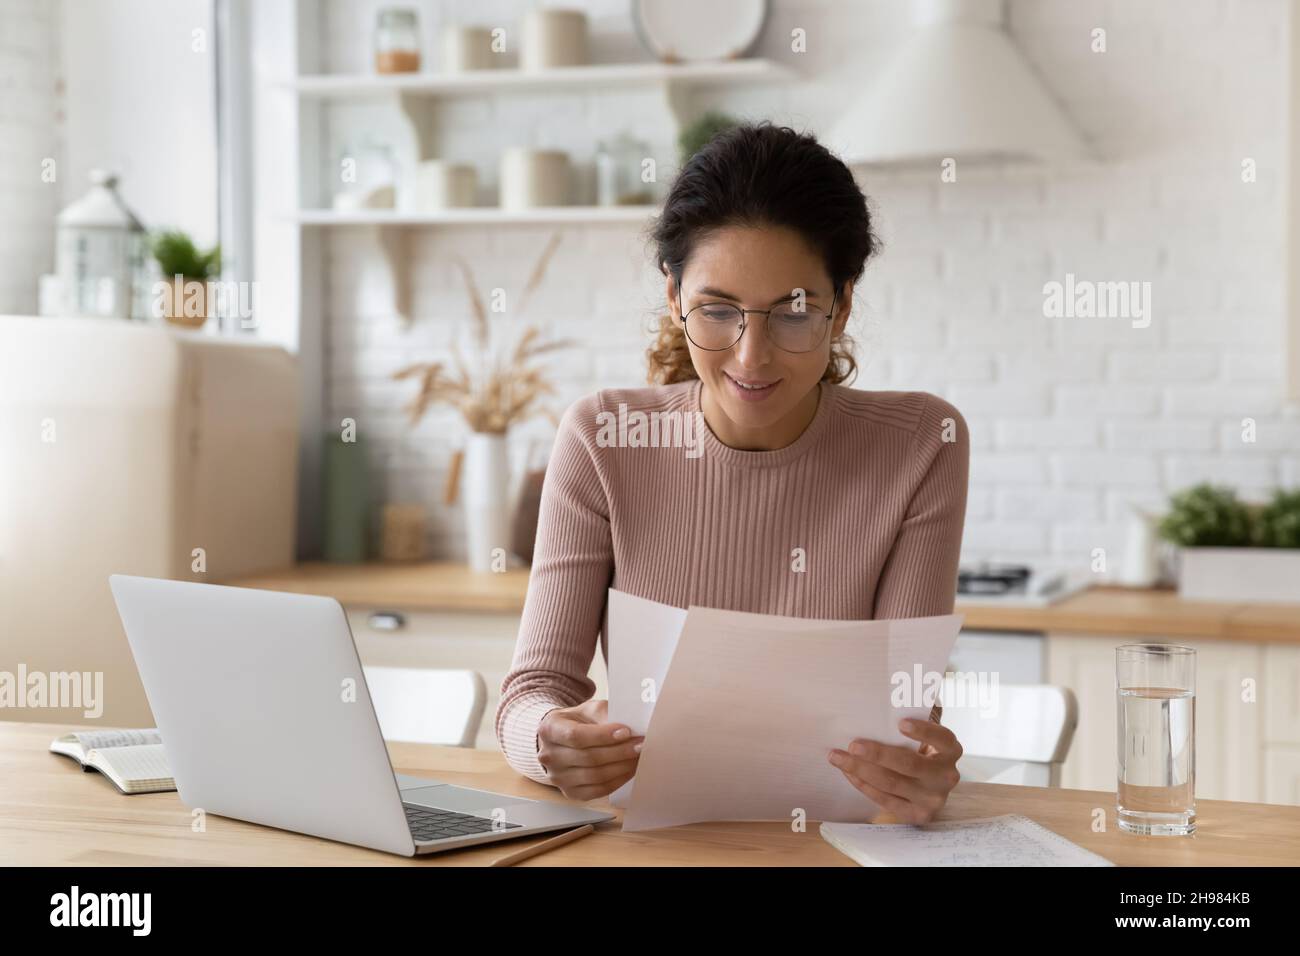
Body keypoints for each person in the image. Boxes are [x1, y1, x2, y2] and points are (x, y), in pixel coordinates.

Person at [495, 121, 969, 824]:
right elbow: (532, 690)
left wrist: (917, 773)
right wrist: (546, 740)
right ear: (674, 297)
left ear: (841, 303)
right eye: (718, 311)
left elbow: (903, 711)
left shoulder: (921, 443)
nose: (751, 358)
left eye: (794, 313)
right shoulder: (602, 438)